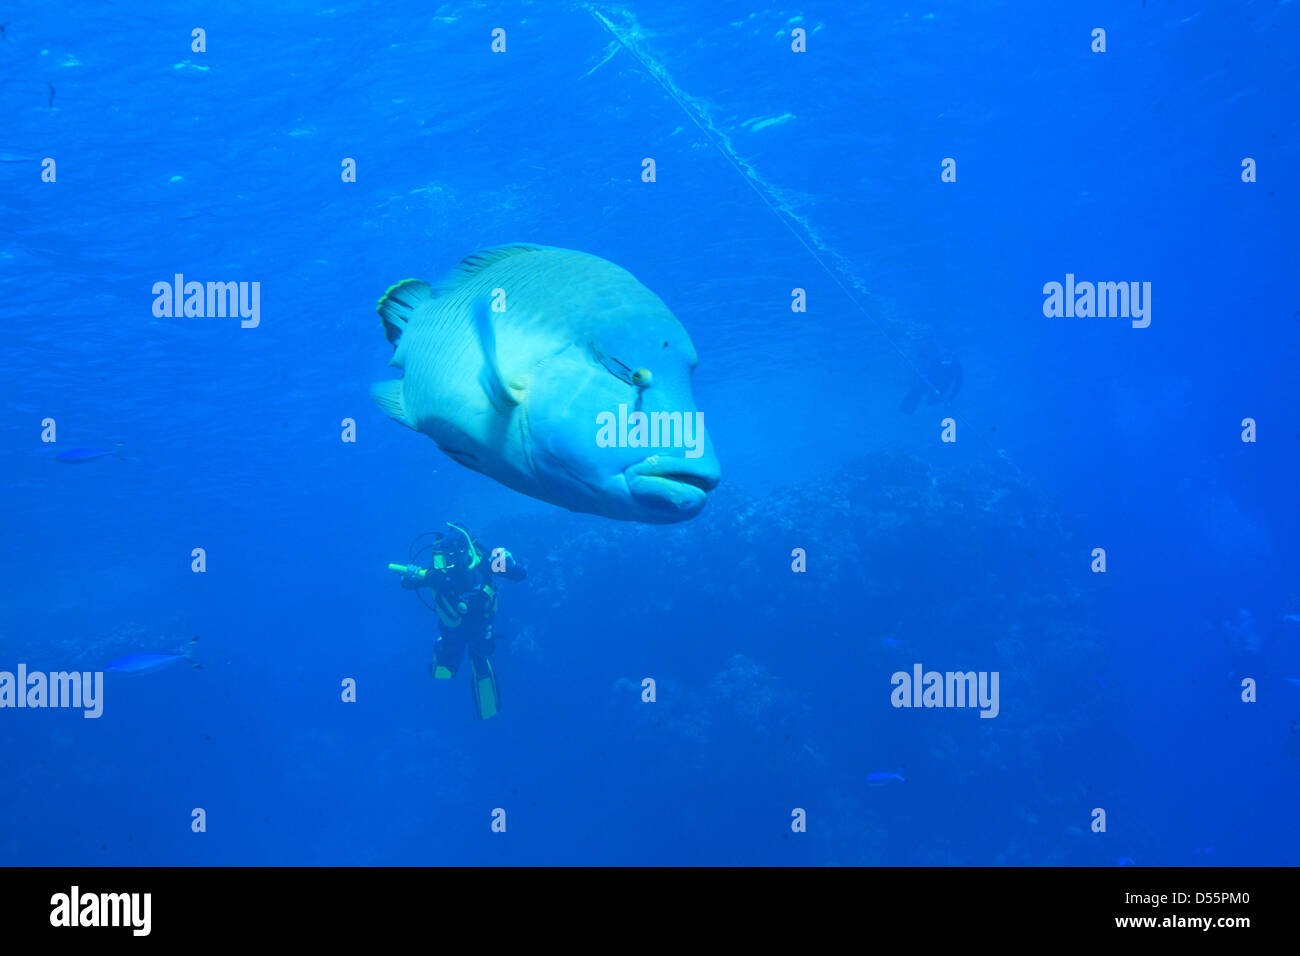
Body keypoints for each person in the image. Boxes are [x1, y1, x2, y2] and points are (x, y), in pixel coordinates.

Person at [389, 523, 526, 719]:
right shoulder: (440, 572)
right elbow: (408, 583)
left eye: (461, 554)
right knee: (446, 666)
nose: (458, 560)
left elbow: (519, 575)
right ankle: (440, 683)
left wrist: (511, 563)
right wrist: (415, 575)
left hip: (481, 626)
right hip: (452, 629)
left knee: (480, 659)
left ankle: (485, 707)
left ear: (469, 549)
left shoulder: (484, 563)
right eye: (452, 556)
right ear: (446, 555)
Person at [899, 347, 963, 414]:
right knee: (916, 390)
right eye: (943, 354)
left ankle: (931, 409)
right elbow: (928, 371)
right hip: (929, 382)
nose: (944, 357)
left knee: (933, 403)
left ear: (952, 355)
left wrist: (950, 399)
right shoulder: (936, 360)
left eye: (947, 354)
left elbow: (958, 383)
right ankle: (906, 409)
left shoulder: (957, 366)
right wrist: (923, 376)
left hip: (941, 387)